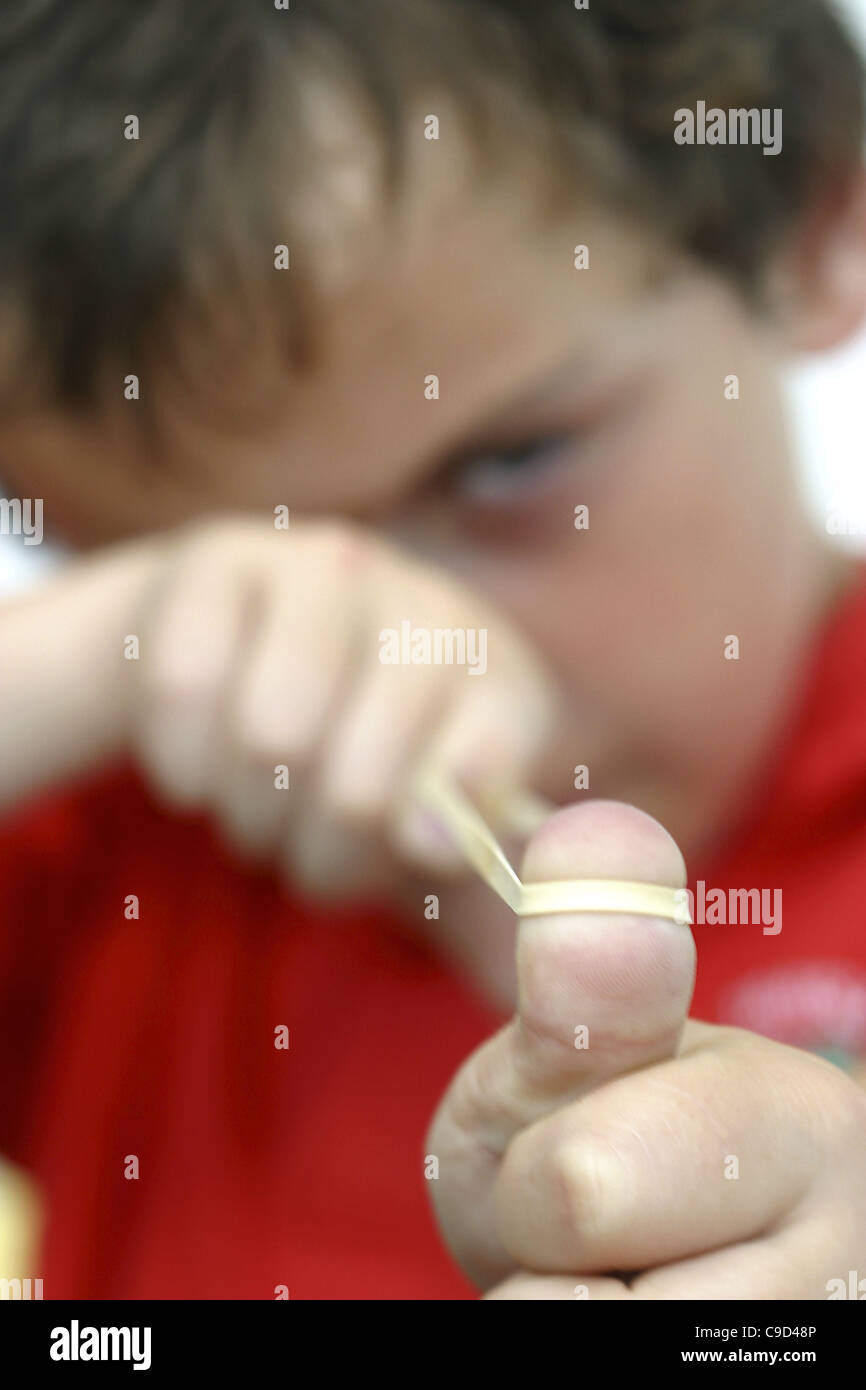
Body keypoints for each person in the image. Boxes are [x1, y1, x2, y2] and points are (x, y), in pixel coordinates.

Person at [0, 0, 864, 1299]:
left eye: (508, 464)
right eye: (222, 570)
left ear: (809, 221)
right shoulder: (112, 846)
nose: (409, 655)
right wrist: (95, 658)